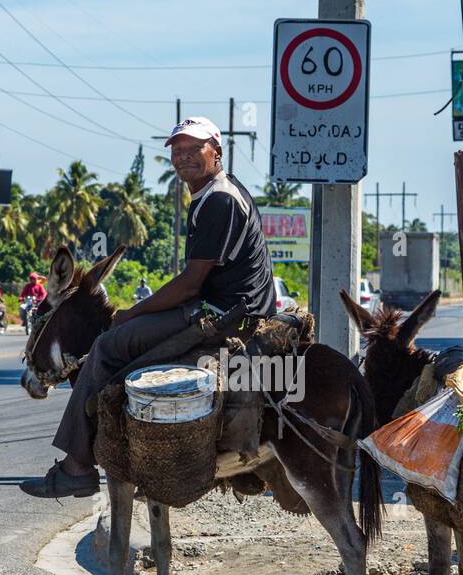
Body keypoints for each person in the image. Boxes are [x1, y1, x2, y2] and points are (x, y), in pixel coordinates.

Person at [20, 115, 277, 498]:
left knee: (107, 345)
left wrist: (132, 313)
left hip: (225, 317)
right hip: (227, 309)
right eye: (178, 151)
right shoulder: (214, 194)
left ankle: (76, 467)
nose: (184, 158)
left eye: (195, 149)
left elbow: (190, 284)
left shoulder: (219, 200)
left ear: (217, 151)